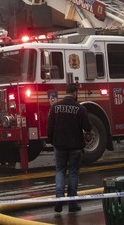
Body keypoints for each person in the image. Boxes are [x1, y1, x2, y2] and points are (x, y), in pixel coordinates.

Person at [46, 82, 92, 214]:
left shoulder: (55, 107)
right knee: (73, 173)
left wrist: (50, 140)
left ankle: (59, 199)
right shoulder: (80, 108)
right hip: (75, 146)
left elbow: (50, 126)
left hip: (59, 145)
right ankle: (72, 203)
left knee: (60, 171)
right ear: (75, 93)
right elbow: (88, 127)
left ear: (65, 93)